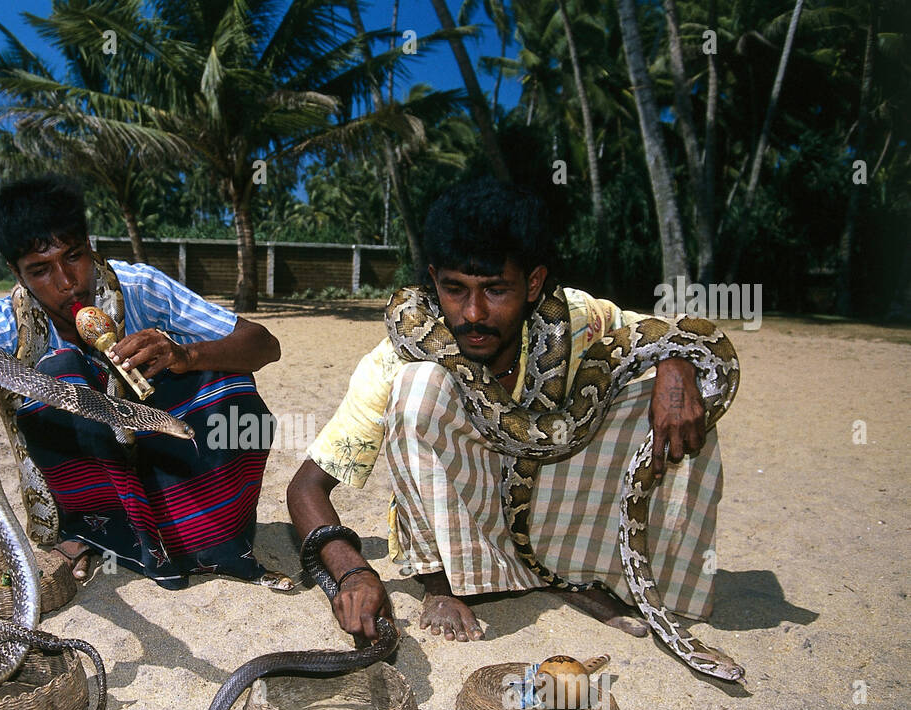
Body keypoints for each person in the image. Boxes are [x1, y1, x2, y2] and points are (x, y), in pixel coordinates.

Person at [287, 177, 722, 643]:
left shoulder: (580, 319)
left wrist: (676, 365)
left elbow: (662, 331)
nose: (473, 312)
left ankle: (577, 573)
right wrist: (351, 571)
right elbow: (305, 487)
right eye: (455, 289)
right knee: (419, 386)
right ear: (433, 280)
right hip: (463, 519)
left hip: (548, 496)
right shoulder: (395, 358)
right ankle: (443, 581)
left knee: (685, 405)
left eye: (495, 290)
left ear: (534, 283)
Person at [0, 175, 283, 590]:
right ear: (17, 273)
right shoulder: (4, 322)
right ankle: (89, 530)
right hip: (90, 471)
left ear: (91, 245)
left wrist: (185, 355)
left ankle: (208, 530)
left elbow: (264, 345)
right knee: (59, 372)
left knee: (230, 383)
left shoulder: (140, 286)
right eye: (40, 270)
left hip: (155, 449)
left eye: (74, 256)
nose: (66, 281)